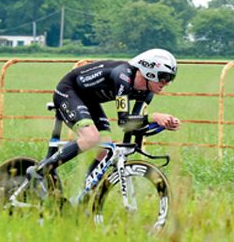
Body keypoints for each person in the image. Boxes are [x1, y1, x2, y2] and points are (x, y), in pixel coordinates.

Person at [27, 48, 181, 182]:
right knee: (91, 138)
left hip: (89, 99)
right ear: (150, 71)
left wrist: (162, 125)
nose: (166, 83)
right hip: (69, 91)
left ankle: (84, 195)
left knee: (106, 148)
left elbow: (130, 126)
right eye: (164, 77)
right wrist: (153, 117)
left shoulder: (147, 92)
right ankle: (39, 171)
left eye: (170, 79)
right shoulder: (123, 76)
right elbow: (124, 120)